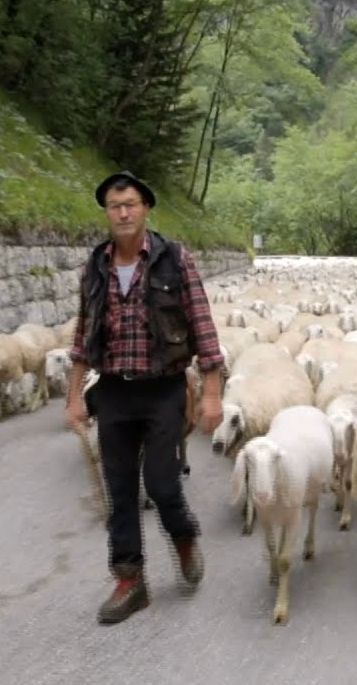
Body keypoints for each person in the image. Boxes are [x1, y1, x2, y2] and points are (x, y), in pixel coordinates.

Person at [64, 171, 225, 625]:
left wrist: (211, 394)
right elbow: (81, 337)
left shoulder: (176, 260)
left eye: (131, 203)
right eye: (115, 206)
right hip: (113, 390)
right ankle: (130, 580)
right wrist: (74, 396)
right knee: (120, 492)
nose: (123, 212)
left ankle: (183, 536)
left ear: (146, 208)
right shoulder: (94, 268)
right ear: (107, 213)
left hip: (163, 389)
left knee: (162, 483)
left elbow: (204, 329)